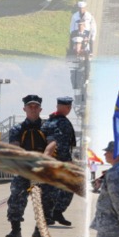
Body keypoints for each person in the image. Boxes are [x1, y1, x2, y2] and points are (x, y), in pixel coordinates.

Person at [5, 94, 54, 237]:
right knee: (16, 197)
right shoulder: (17, 129)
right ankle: (15, 230)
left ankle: (39, 230)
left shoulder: (48, 128)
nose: (33, 109)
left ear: (40, 109)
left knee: (48, 199)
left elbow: (51, 145)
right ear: (24, 109)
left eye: (36, 106)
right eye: (30, 106)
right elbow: (15, 148)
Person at [42, 95, 77, 226]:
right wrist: (68, 161)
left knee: (49, 189)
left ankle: (48, 215)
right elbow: (60, 144)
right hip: (58, 161)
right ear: (67, 107)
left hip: (47, 160)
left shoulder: (49, 121)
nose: (70, 108)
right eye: (69, 106)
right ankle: (56, 212)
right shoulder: (62, 123)